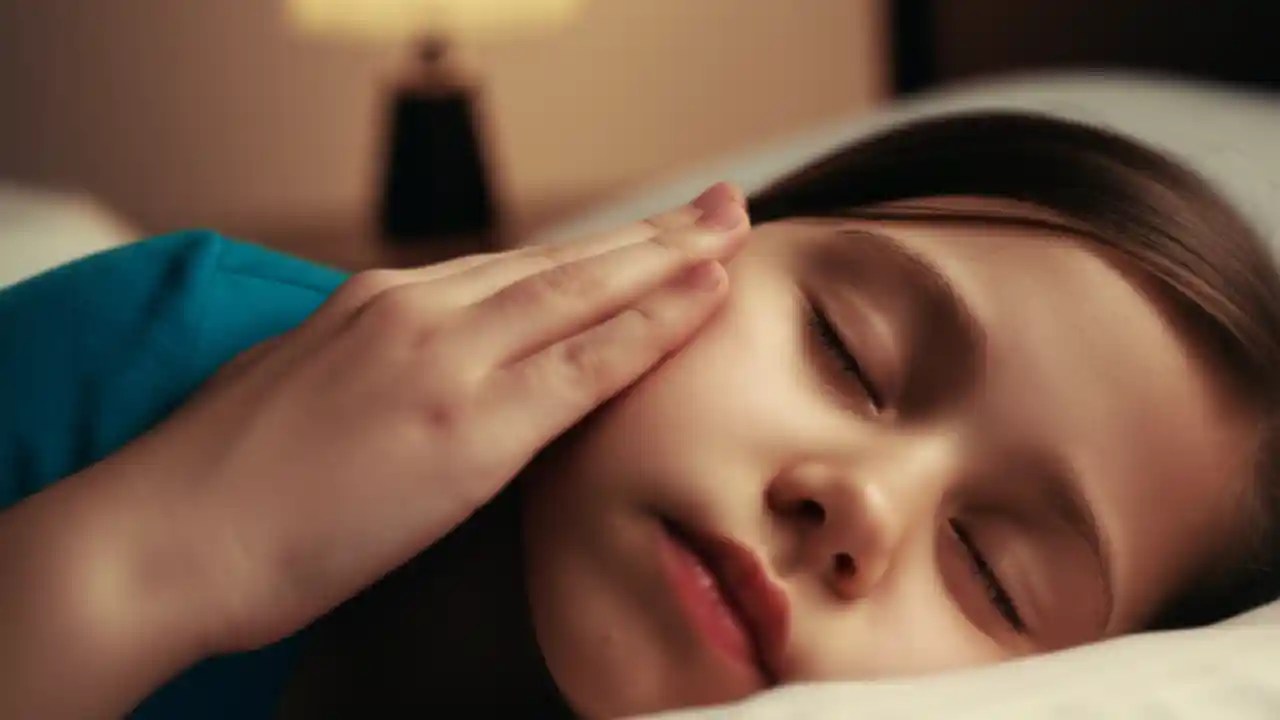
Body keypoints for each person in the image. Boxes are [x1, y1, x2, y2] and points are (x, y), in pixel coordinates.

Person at [2, 111, 1279, 719]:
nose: (857, 502)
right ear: (680, 249)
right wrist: (158, 552)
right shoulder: (167, 348)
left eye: (995, 576)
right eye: (848, 349)